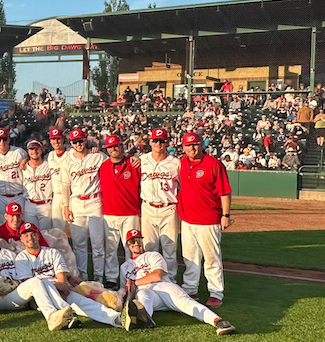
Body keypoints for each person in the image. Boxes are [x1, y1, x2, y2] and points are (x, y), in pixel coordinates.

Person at [120, 229, 235, 335]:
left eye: (139, 240)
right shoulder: (124, 267)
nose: (136, 243)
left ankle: (218, 321)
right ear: (127, 244)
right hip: (147, 293)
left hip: (163, 287)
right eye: (132, 241)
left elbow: (157, 275)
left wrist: (134, 282)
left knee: (186, 303)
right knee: (143, 295)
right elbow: (125, 290)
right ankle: (144, 320)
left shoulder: (153, 255)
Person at [13, 222, 125, 329]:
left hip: (61, 291)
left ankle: (116, 318)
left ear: (38, 236)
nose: (30, 238)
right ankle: (66, 313)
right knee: (42, 283)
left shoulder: (52, 252)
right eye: (26, 235)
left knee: (85, 303)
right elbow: (30, 283)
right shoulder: (21, 258)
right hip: (40, 297)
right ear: (21, 239)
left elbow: (62, 279)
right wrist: (57, 285)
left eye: (33, 234)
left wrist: (61, 285)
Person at [0, 221, 80, 331]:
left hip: (12, 296)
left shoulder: (10, 254)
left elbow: (20, 277)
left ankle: (51, 316)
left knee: (35, 281)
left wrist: (69, 277)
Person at [178, 132, 232, 308]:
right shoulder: (182, 163)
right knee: (190, 257)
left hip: (208, 219)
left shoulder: (213, 164)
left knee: (211, 259)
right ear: (183, 147)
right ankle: (190, 289)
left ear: (201, 145)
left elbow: (224, 192)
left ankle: (216, 292)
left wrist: (226, 215)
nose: (191, 148)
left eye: (195, 144)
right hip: (187, 219)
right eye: (188, 145)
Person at [59, 127, 107, 282]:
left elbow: (115, 162)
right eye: (75, 142)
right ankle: (83, 276)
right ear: (71, 143)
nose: (78, 144)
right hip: (76, 202)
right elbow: (65, 186)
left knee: (97, 242)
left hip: (94, 201)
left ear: (85, 140)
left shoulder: (98, 157)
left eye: (80, 140)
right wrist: (66, 206)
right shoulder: (67, 161)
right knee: (79, 243)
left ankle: (99, 276)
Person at [99, 134, 141, 289]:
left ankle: (131, 277)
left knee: (130, 247)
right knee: (110, 248)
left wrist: (136, 157)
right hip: (109, 213)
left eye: (116, 145)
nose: (113, 149)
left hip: (130, 212)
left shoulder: (134, 164)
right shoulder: (103, 166)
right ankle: (111, 278)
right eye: (110, 147)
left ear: (122, 146)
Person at [138, 127, 180, 279]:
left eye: (161, 141)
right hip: (148, 207)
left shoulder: (175, 163)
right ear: (150, 142)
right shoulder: (141, 161)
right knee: (149, 247)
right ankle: (150, 278)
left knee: (170, 248)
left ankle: (171, 279)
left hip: (168, 209)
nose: (158, 144)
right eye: (155, 141)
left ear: (167, 143)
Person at [0, 127, 26, 224]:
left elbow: (32, 157)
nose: (2, 142)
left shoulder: (19, 152)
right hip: (0, 196)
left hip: (18, 196)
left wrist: (26, 159)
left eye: (4, 139)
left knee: (19, 223)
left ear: (9, 139)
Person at [20, 138, 55, 232]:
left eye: (36, 148)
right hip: (29, 204)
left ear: (41, 149)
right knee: (31, 233)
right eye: (31, 149)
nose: (34, 151)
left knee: (45, 234)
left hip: (46, 204)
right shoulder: (23, 167)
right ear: (28, 151)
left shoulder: (49, 165)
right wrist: (25, 160)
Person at [43, 127, 69, 231]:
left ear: (63, 139)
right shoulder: (50, 155)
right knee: (57, 228)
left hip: (71, 195)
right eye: (53, 139)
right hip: (57, 195)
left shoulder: (71, 153)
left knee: (75, 226)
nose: (56, 141)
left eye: (58, 138)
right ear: (50, 141)